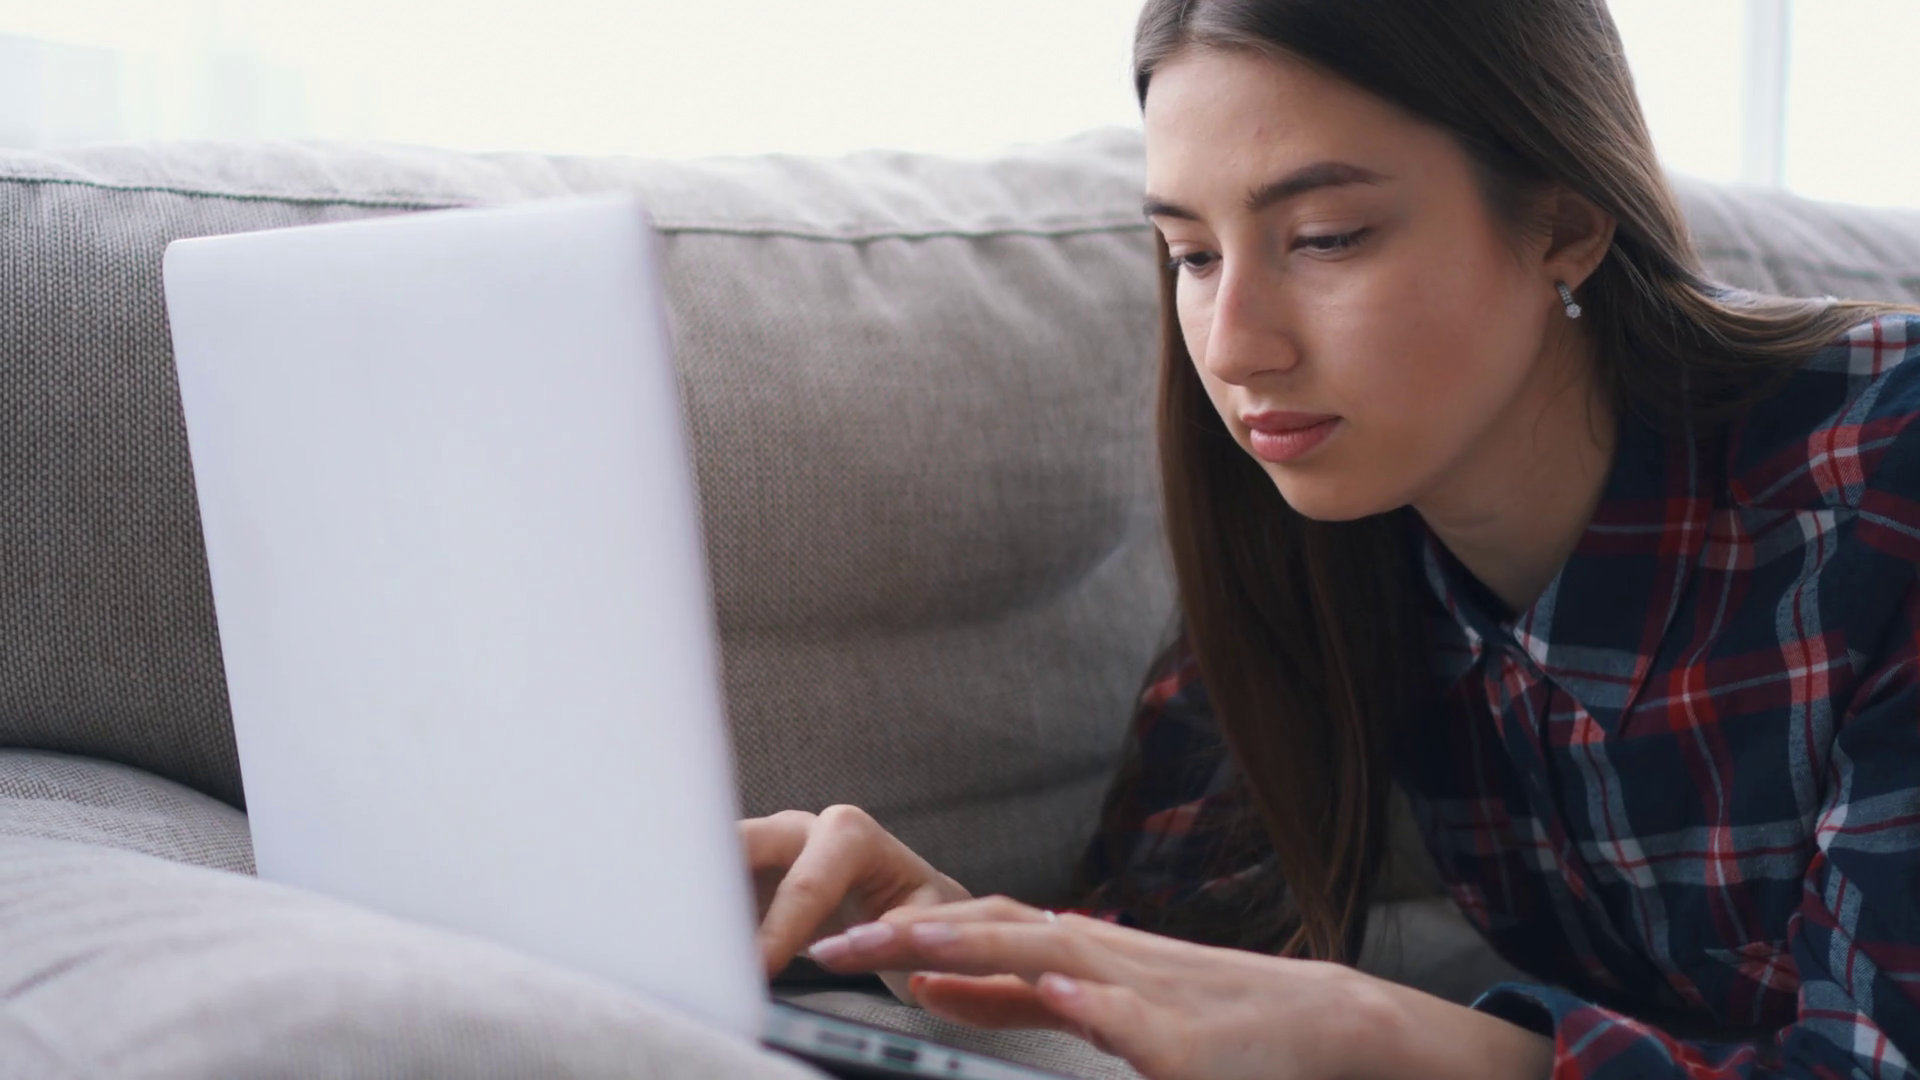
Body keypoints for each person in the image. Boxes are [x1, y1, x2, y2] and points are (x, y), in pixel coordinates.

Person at [740, 1, 1920, 1076]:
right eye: (1193, 256)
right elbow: (1182, 954)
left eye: (1327, 236)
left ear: (1564, 223)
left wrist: (1400, 1039)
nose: (1236, 346)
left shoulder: (1885, 481)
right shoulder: (1333, 535)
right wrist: (947, 939)